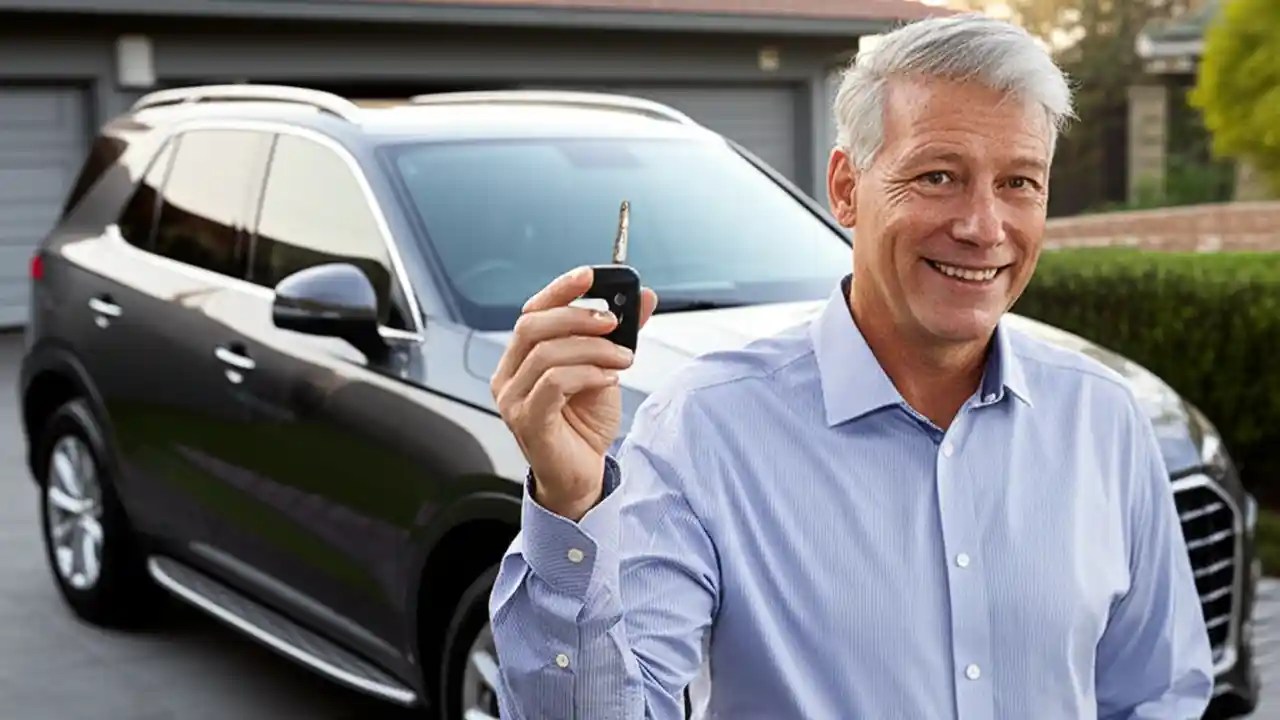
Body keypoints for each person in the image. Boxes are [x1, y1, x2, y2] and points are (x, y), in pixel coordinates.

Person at [486, 12, 1214, 720]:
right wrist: (572, 505)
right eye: (938, 176)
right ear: (845, 188)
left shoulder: (1104, 419)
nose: (983, 226)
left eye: (1019, 183)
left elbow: (1158, 696)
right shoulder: (707, 429)